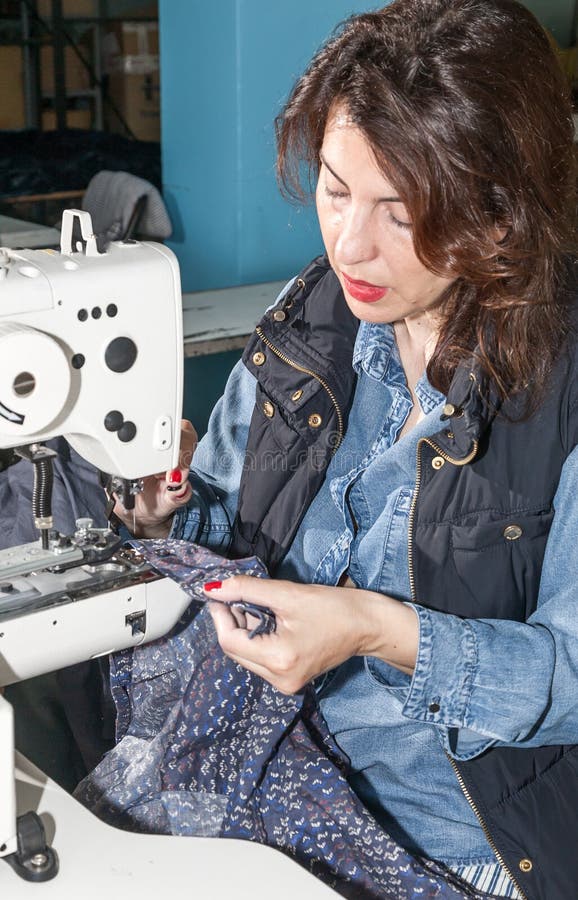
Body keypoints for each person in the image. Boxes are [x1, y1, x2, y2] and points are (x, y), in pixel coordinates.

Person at [114, 1, 577, 897]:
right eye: (334, 190)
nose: (348, 244)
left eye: (401, 212)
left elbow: (568, 678)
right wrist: (166, 500)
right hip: (278, 755)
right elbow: (229, 514)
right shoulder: (319, 313)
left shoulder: (561, 387)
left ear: (500, 209)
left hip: (451, 832)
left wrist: (375, 629)